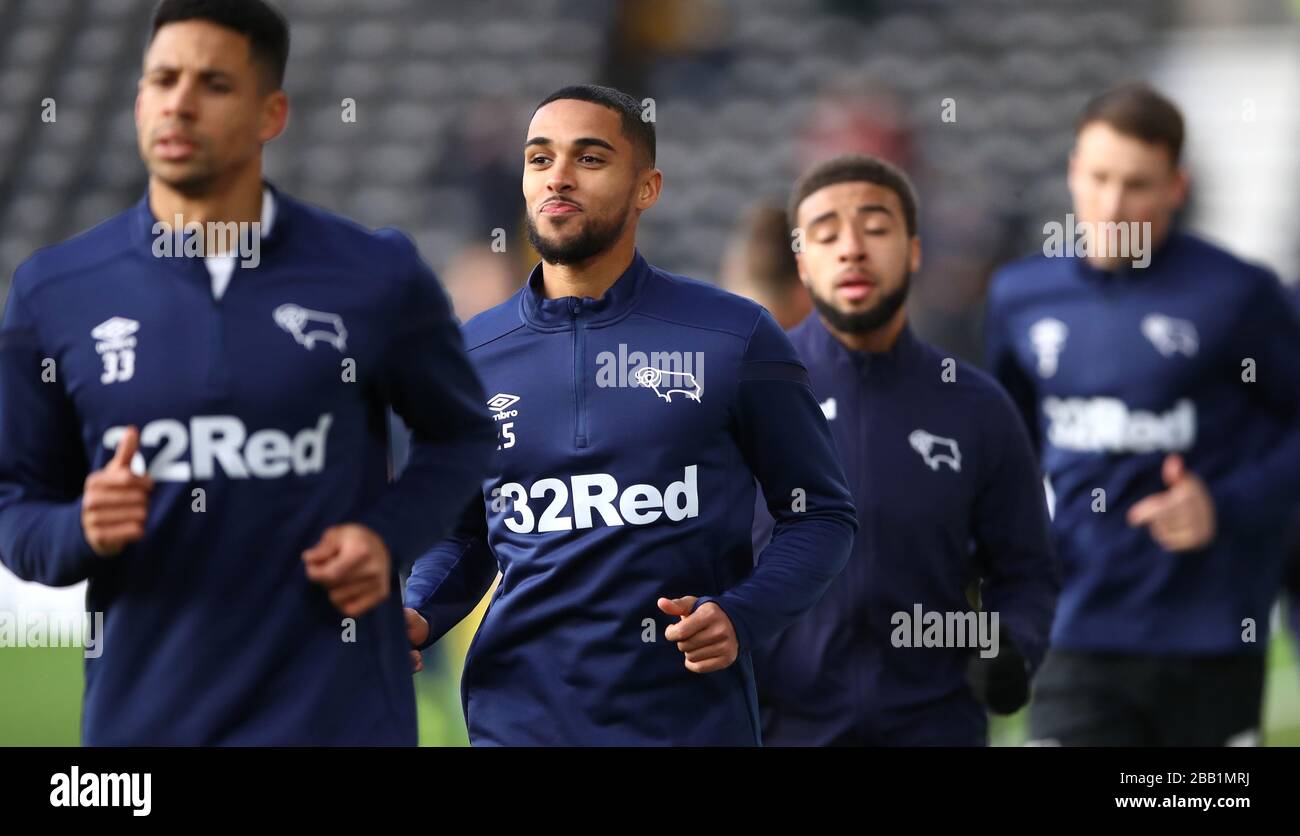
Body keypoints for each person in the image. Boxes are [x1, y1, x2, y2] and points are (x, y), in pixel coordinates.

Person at [0, 0, 495, 745]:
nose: (179, 103)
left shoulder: (375, 274)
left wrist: (386, 536)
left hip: (339, 720)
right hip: (147, 731)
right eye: (161, 79)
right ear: (139, 98)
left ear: (272, 112)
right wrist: (80, 528)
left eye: (213, 84)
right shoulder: (54, 291)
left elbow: (462, 439)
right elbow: (15, 508)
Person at [403, 84, 857, 745]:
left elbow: (820, 512)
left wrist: (742, 616)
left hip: (687, 726)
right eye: (539, 158)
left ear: (647, 187)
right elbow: (466, 532)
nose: (557, 175)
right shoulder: (469, 354)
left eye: (590, 158)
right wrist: (418, 610)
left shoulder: (733, 336)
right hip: (517, 725)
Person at [986, 82, 1300, 746]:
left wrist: (1225, 502)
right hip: (1074, 631)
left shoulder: (1239, 295)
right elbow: (1004, 450)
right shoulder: (1020, 297)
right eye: (1098, 177)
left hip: (1209, 638)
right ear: (1073, 169)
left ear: (1176, 188)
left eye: (1137, 185)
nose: (1111, 205)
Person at [752, 155, 1057, 746]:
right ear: (802, 264)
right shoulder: (746, 396)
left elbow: (1028, 571)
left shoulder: (976, 406)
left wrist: (1012, 647)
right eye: (827, 233)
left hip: (936, 729)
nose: (852, 249)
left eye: (875, 227)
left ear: (914, 251)